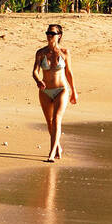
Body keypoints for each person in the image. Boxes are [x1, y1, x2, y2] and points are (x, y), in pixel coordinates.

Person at [32, 24, 77, 162]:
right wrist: (38, 80)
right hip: (45, 91)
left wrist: (74, 91)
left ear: (59, 35)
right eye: (47, 33)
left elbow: (69, 72)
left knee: (57, 119)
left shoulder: (65, 52)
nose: (49, 35)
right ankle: (57, 146)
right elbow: (35, 71)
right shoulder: (40, 52)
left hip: (61, 90)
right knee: (49, 123)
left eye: (52, 33)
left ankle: (51, 154)